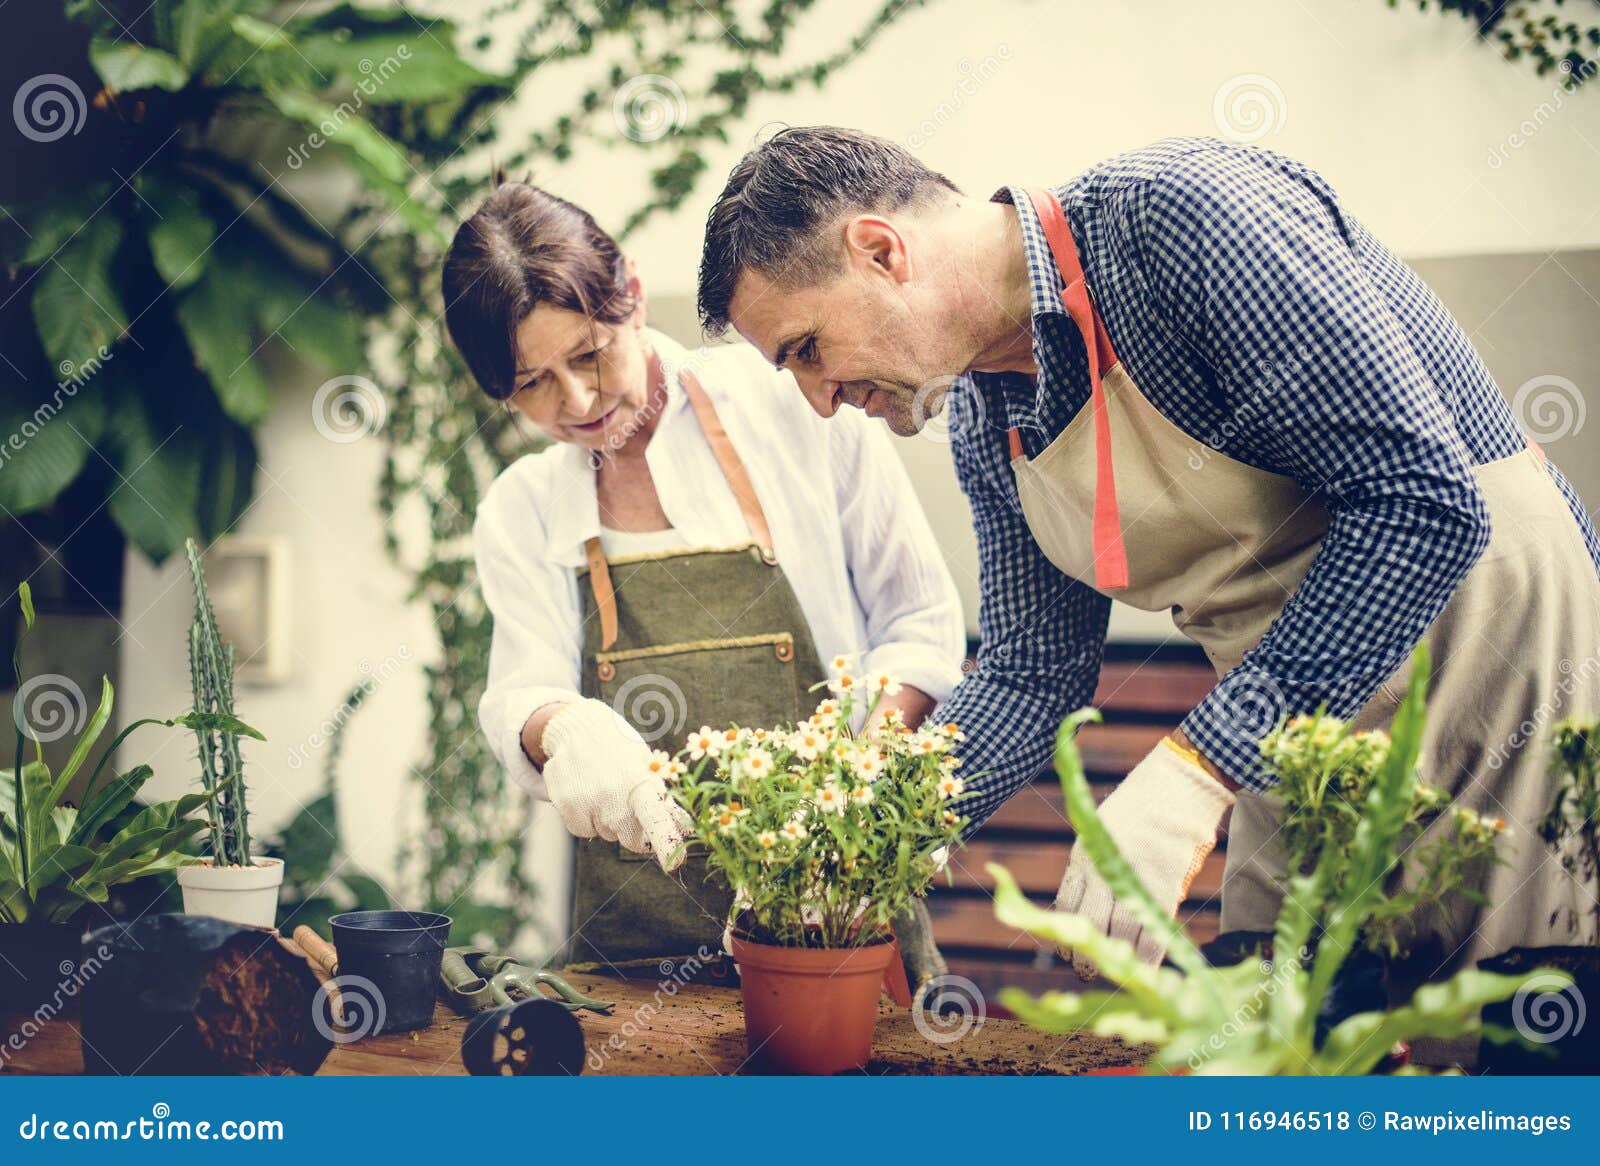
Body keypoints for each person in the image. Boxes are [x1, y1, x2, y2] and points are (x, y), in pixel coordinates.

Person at [694, 127, 1600, 995]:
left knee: (1503, 1036)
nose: (819, 401)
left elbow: (1421, 504)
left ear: (881, 251)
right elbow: (1027, 672)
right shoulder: (982, 416)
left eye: (808, 350)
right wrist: (860, 834)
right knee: (1282, 1031)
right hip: (1294, 722)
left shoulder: (1184, 220)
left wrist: (1196, 766)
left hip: (1494, 656)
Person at [443, 179, 965, 981]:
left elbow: (921, 624)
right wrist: (563, 729)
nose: (577, 400)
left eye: (589, 354)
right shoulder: (523, 510)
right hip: (636, 956)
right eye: (532, 384)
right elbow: (520, 693)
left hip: (839, 924)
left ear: (635, 300)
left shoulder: (793, 396)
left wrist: (845, 803)